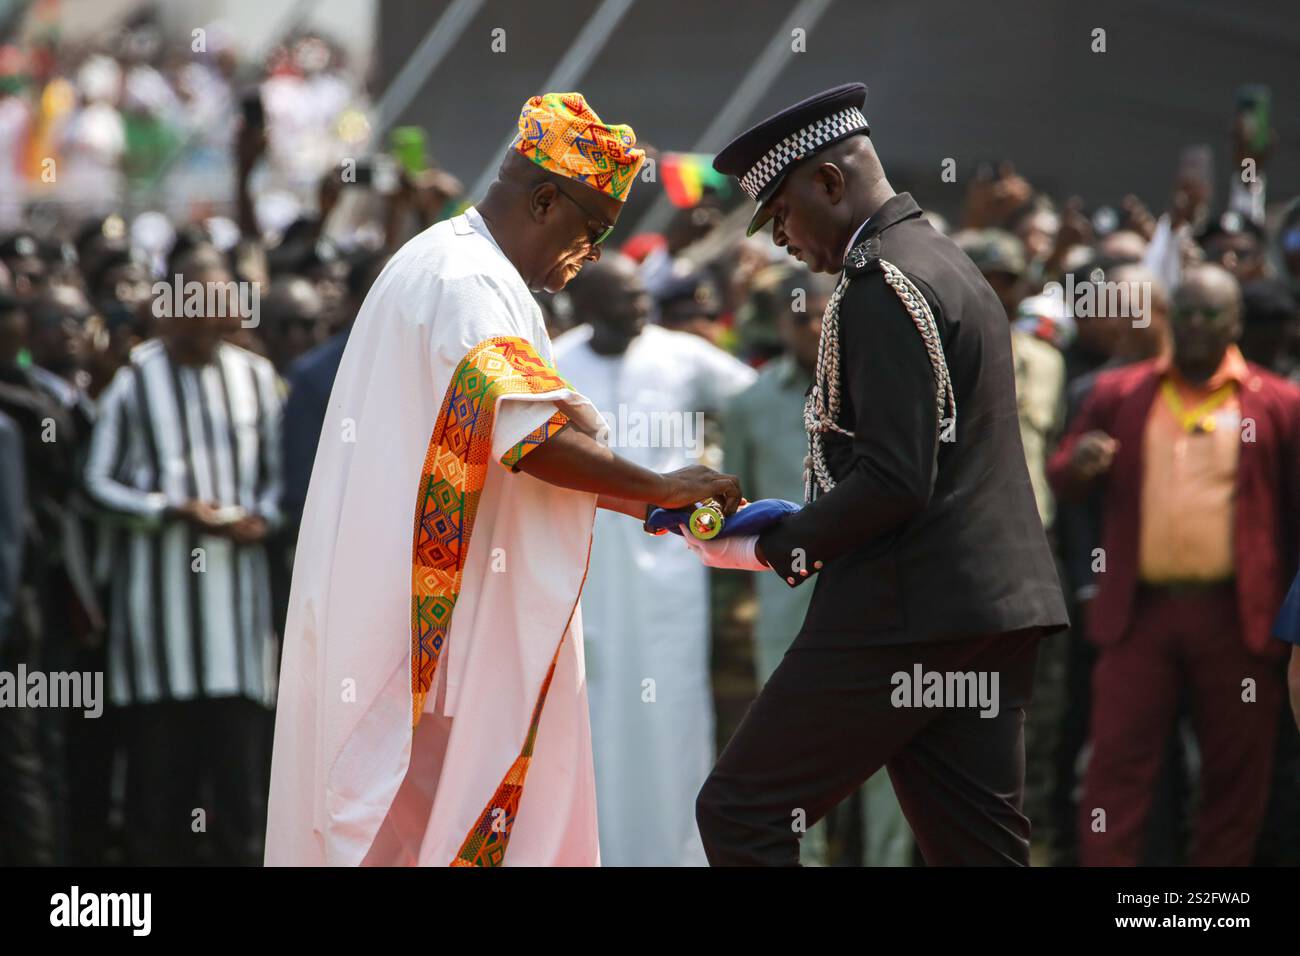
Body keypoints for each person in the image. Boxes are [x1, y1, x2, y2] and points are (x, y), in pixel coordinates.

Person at [265, 92, 741, 868]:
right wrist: (661, 487)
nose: (586, 258)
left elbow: (510, 447)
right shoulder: (468, 279)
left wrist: (657, 510)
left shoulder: (447, 261)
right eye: (588, 234)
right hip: (433, 638)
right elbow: (533, 440)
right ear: (544, 198)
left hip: (423, 625)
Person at [690, 82, 1068, 866]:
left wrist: (776, 545)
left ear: (828, 182)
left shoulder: (880, 284)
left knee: (742, 812)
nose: (779, 241)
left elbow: (897, 478)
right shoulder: (943, 259)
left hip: (906, 609)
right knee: (978, 851)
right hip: (988, 607)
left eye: (780, 214)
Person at [1048, 263, 1300, 866]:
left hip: (1236, 615)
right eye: (1182, 312)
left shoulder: (1278, 402)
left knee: (1235, 772)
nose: (1193, 326)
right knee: (1116, 765)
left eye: (1209, 314)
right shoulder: (1120, 393)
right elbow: (1062, 477)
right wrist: (1078, 463)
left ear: (1235, 321)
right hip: (1141, 612)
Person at [552, 254, 755, 866]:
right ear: (585, 307)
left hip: (671, 576)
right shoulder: (555, 361)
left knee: (672, 714)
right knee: (592, 714)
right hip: (588, 572)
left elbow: (757, 396)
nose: (639, 309)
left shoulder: (681, 354)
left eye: (642, 297)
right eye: (622, 300)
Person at [83, 250, 283, 865]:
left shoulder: (255, 378)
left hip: (239, 638)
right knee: (157, 808)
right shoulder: (134, 380)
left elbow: (281, 480)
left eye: (221, 302)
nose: (211, 315)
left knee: (241, 805)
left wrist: (264, 519)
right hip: (157, 645)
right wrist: (167, 509)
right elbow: (95, 485)